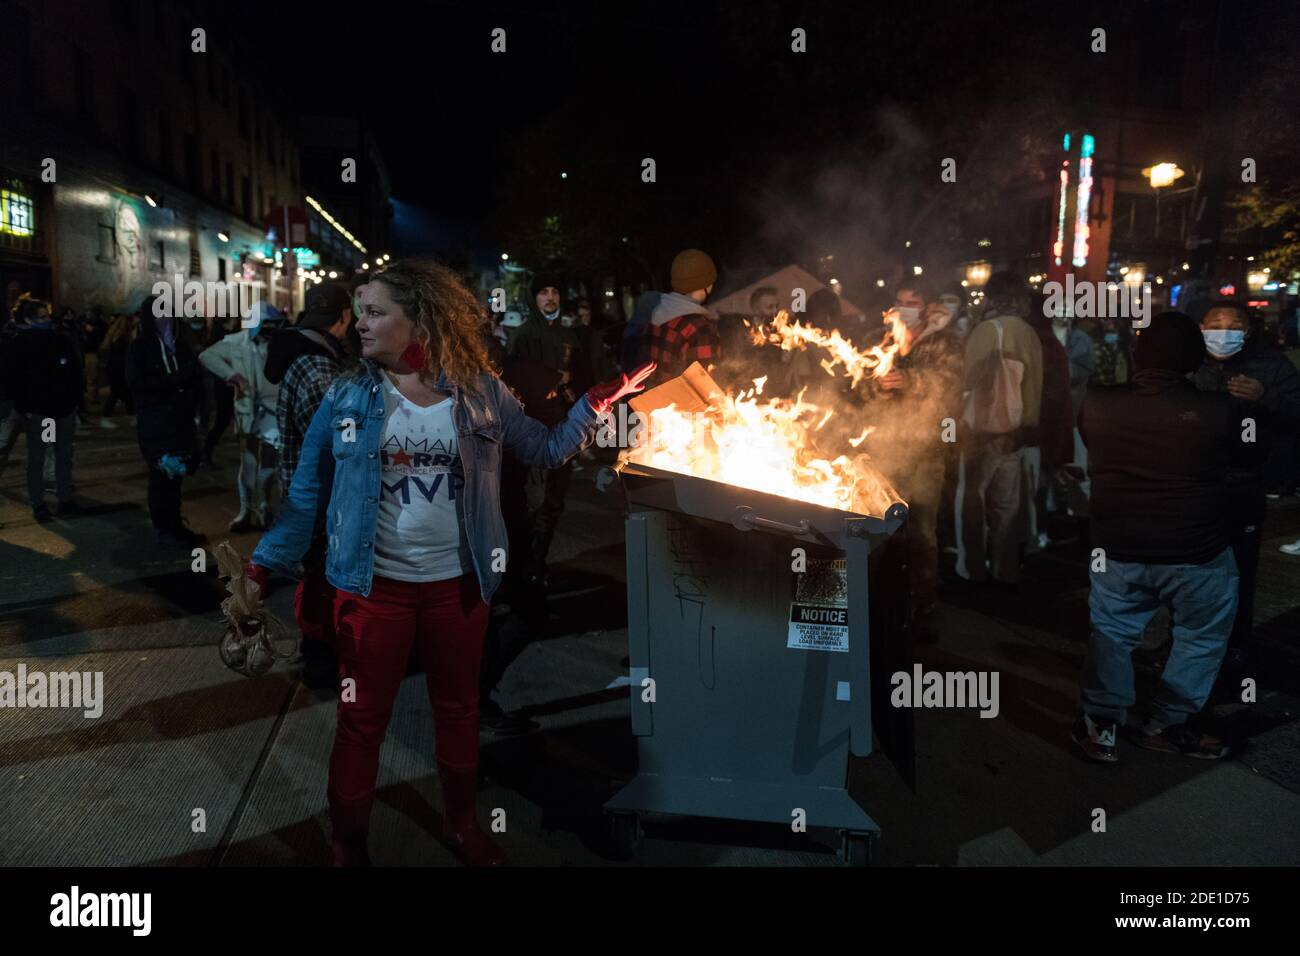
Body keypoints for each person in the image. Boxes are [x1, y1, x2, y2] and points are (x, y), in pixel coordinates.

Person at [247, 259, 653, 867]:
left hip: (458, 588)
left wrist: (595, 404)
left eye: (377, 312)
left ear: (422, 321)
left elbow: (543, 449)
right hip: (371, 589)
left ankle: (462, 826)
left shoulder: (482, 393)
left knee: (458, 712)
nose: (362, 325)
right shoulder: (346, 395)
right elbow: (304, 495)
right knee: (362, 721)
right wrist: (259, 571)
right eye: (361, 313)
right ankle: (347, 844)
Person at [1073, 312, 1236, 761]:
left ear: (1138, 356)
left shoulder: (1098, 402)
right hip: (1195, 551)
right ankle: (1166, 722)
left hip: (1118, 547)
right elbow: (1251, 455)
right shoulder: (1220, 409)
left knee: (1111, 631)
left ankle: (1101, 726)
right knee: (1199, 637)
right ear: (1193, 359)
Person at [1191, 300, 1300, 671]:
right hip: (1195, 486)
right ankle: (1183, 644)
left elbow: (1296, 413)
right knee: (1189, 574)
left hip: (1244, 487)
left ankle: (1236, 646)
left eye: (1233, 324)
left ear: (1247, 330)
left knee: (1239, 572)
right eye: (1215, 323)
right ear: (1201, 328)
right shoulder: (1188, 364)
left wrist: (1264, 398)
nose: (1223, 331)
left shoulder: (1271, 365)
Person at [263, 282, 357, 689]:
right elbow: (336, 442)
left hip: (310, 495)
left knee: (319, 576)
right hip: (321, 497)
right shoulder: (319, 367)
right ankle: (321, 665)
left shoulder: (305, 356)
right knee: (323, 579)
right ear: (344, 317)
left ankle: (320, 656)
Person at [860, 281, 964, 639]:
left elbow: (949, 385)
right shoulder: (881, 337)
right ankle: (879, 596)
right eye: (900, 301)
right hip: (883, 444)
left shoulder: (944, 341)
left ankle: (923, 601)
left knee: (920, 528)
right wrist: (878, 383)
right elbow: (858, 383)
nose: (904, 307)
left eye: (913, 302)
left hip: (925, 448)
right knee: (880, 522)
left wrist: (911, 380)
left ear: (926, 306)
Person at [954, 271, 1043, 585]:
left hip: (983, 433)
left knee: (972, 502)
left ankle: (972, 569)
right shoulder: (1030, 333)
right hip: (1018, 433)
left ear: (992, 297)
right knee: (1007, 506)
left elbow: (965, 384)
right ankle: (1005, 570)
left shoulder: (987, 330)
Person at [505, 272, 582, 576]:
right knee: (531, 502)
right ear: (533, 298)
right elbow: (515, 383)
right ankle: (525, 570)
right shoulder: (522, 335)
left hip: (563, 423)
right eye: (543, 292)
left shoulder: (568, 336)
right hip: (533, 428)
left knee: (554, 501)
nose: (550, 297)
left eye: (554, 291)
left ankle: (537, 565)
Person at [126, 296, 205, 547]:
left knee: (176, 476)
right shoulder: (140, 347)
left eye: (168, 313)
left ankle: (176, 526)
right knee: (161, 477)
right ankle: (164, 529)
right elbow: (138, 384)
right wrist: (174, 380)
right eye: (160, 314)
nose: (166, 319)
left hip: (179, 422)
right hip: (156, 422)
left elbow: (194, 379)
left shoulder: (180, 346)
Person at [200, 303, 284, 531]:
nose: (271, 330)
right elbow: (207, 356)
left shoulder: (281, 343)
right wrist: (232, 375)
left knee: (269, 460)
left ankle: (264, 508)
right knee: (248, 461)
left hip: (274, 409)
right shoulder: (235, 342)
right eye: (267, 325)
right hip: (248, 407)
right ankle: (246, 511)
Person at [0, 296, 83, 521]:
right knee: (39, 457)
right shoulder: (21, 343)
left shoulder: (59, 339)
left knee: (62, 456)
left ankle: (64, 499)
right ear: (29, 319)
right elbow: (14, 379)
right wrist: (26, 408)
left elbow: (75, 371)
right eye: (42, 317)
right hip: (41, 412)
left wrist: (74, 401)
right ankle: (39, 503)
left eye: (47, 316)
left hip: (62, 410)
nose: (47, 320)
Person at [1027, 295, 1075, 546]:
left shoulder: (1038, 342)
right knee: (1041, 483)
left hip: (1042, 427)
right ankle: (1041, 532)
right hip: (1052, 426)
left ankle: (1038, 533)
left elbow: (1051, 392)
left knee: (1038, 484)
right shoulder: (1048, 341)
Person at [643, 248, 723, 387]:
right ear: (707, 284)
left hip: (652, 404)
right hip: (685, 406)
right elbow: (705, 384)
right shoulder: (699, 327)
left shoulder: (655, 315)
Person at [101, 314, 138, 420]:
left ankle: (131, 413)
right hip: (119, 369)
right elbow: (123, 356)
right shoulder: (122, 339)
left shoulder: (116, 337)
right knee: (119, 392)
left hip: (115, 368)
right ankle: (107, 416)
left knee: (121, 392)